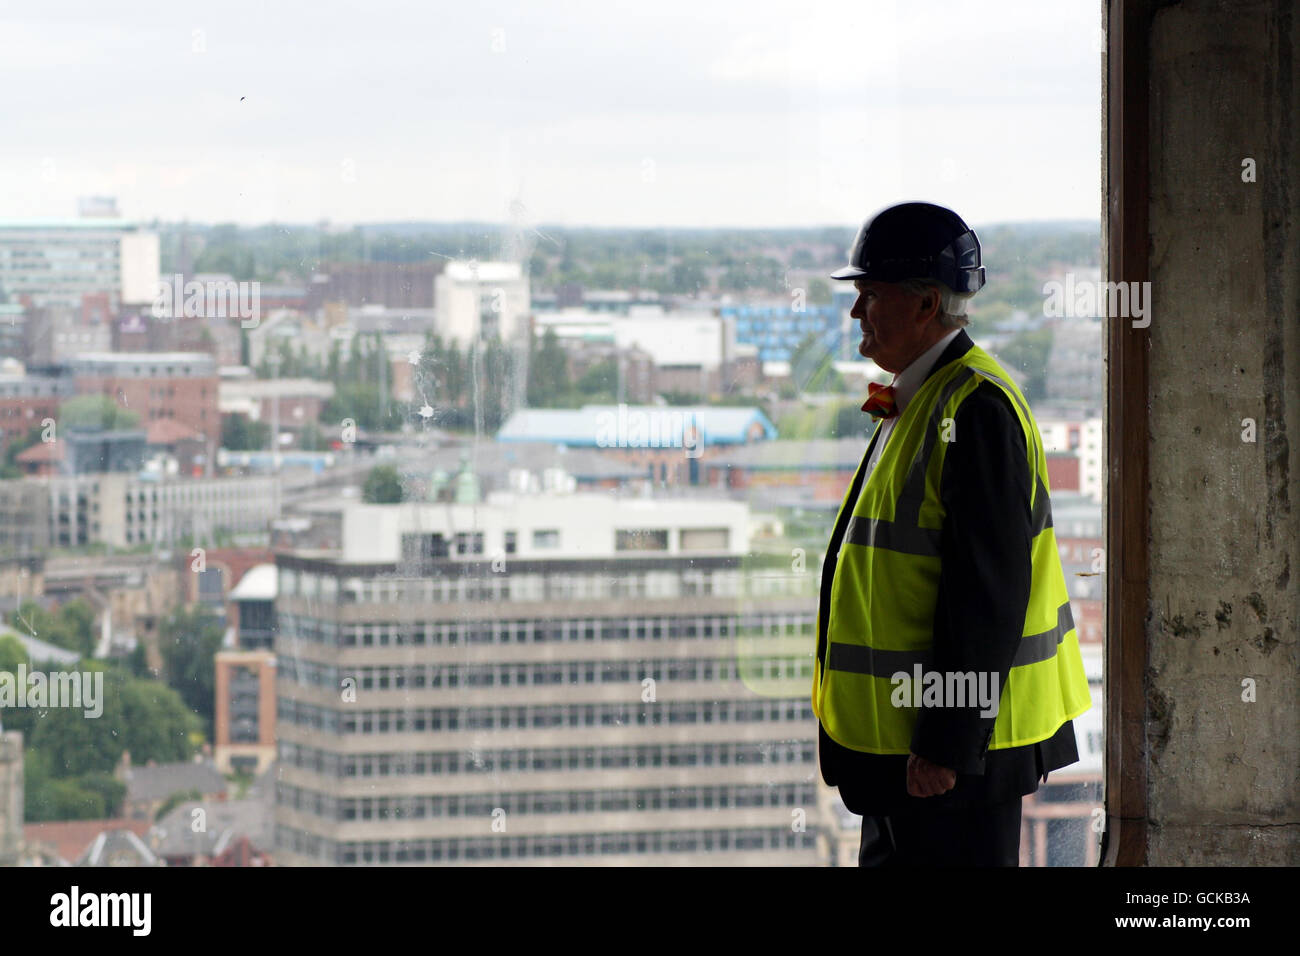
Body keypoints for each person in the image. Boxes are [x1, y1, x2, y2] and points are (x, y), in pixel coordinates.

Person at [813, 201, 1093, 866]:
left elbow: (986, 591)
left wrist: (946, 743)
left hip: (953, 761)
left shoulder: (973, 408)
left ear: (925, 304)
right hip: (906, 748)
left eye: (869, 295)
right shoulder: (922, 398)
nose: (856, 314)